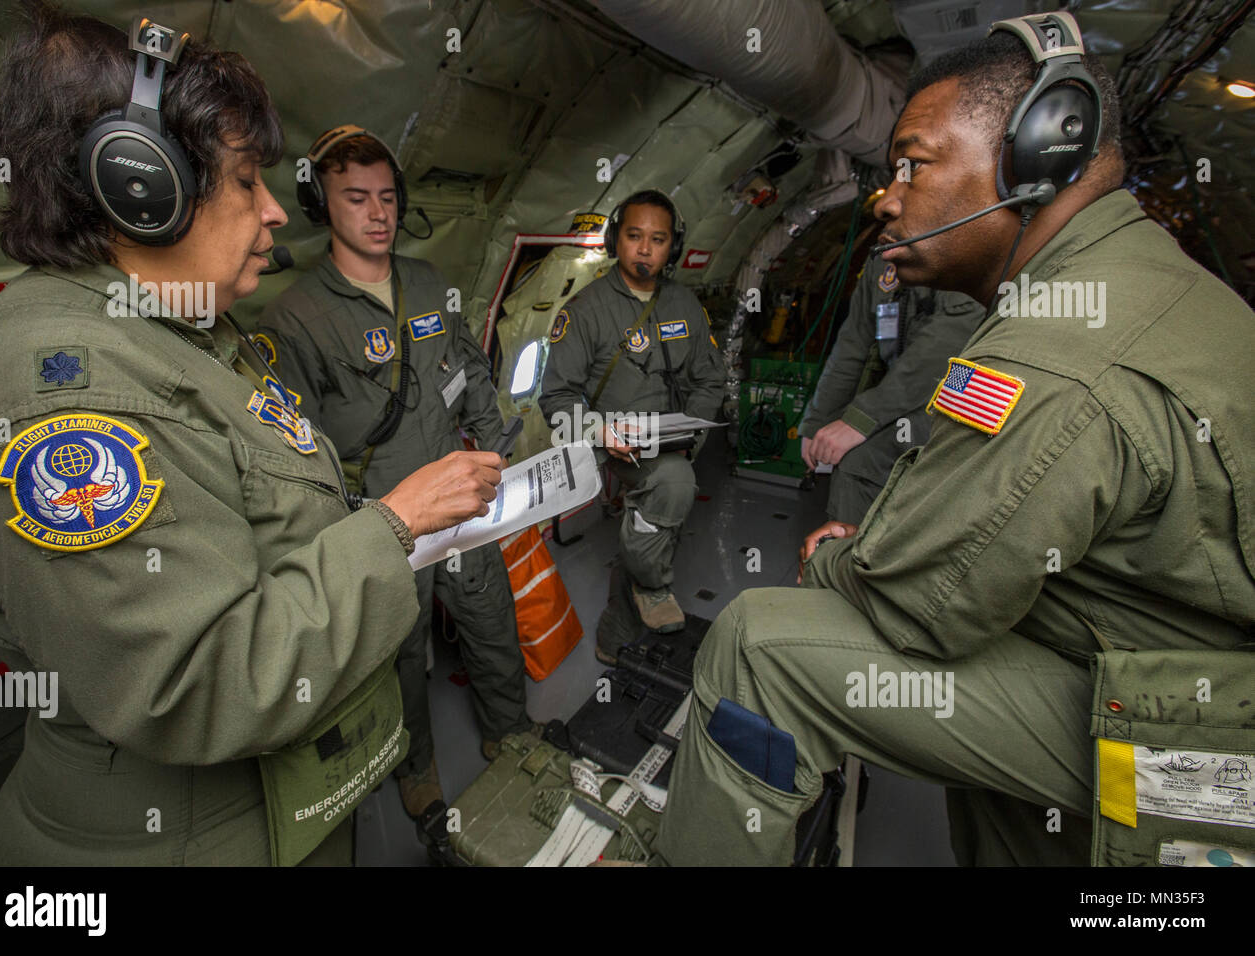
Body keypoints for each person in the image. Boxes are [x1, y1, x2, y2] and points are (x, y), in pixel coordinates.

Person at [654, 13, 1255, 866]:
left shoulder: (1058, 356)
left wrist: (840, 559)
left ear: (1038, 153)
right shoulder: (1133, 278)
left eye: (913, 164)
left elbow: (922, 605)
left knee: (758, 648)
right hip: (1172, 653)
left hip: (1200, 735)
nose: (885, 194)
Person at [0, 4, 500, 865]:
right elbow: (197, 682)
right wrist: (392, 525)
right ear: (140, 183)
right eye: (247, 180)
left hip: (289, 798)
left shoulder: (184, 329)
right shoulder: (65, 395)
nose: (277, 212)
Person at [256, 128, 536, 820]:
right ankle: (415, 766)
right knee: (399, 652)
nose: (377, 213)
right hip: (382, 517)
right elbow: (295, 451)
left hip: (462, 501)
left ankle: (512, 734)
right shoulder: (294, 320)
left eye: (386, 197)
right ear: (321, 204)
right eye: (355, 198)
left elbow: (470, 368)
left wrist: (502, 442)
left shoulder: (431, 285)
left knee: (491, 620)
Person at [538, 190, 726, 651]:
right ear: (615, 240)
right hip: (611, 436)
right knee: (674, 486)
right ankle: (652, 586)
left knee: (656, 518)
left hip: (672, 436)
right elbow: (556, 396)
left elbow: (710, 379)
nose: (645, 249)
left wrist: (690, 435)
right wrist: (599, 430)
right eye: (634, 236)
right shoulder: (586, 310)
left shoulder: (685, 305)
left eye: (657, 239)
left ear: (672, 248)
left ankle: (617, 634)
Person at [800, 263, 983, 524]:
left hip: (959, 390)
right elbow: (851, 348)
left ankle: (863, 559)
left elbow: (936, 356)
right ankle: (846, 555)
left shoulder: (963, 253)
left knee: (863, 463)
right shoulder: (880, 263)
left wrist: (860, 420)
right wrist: (816, 423)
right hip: (897, 392)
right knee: (854, 460)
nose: (887, 221)